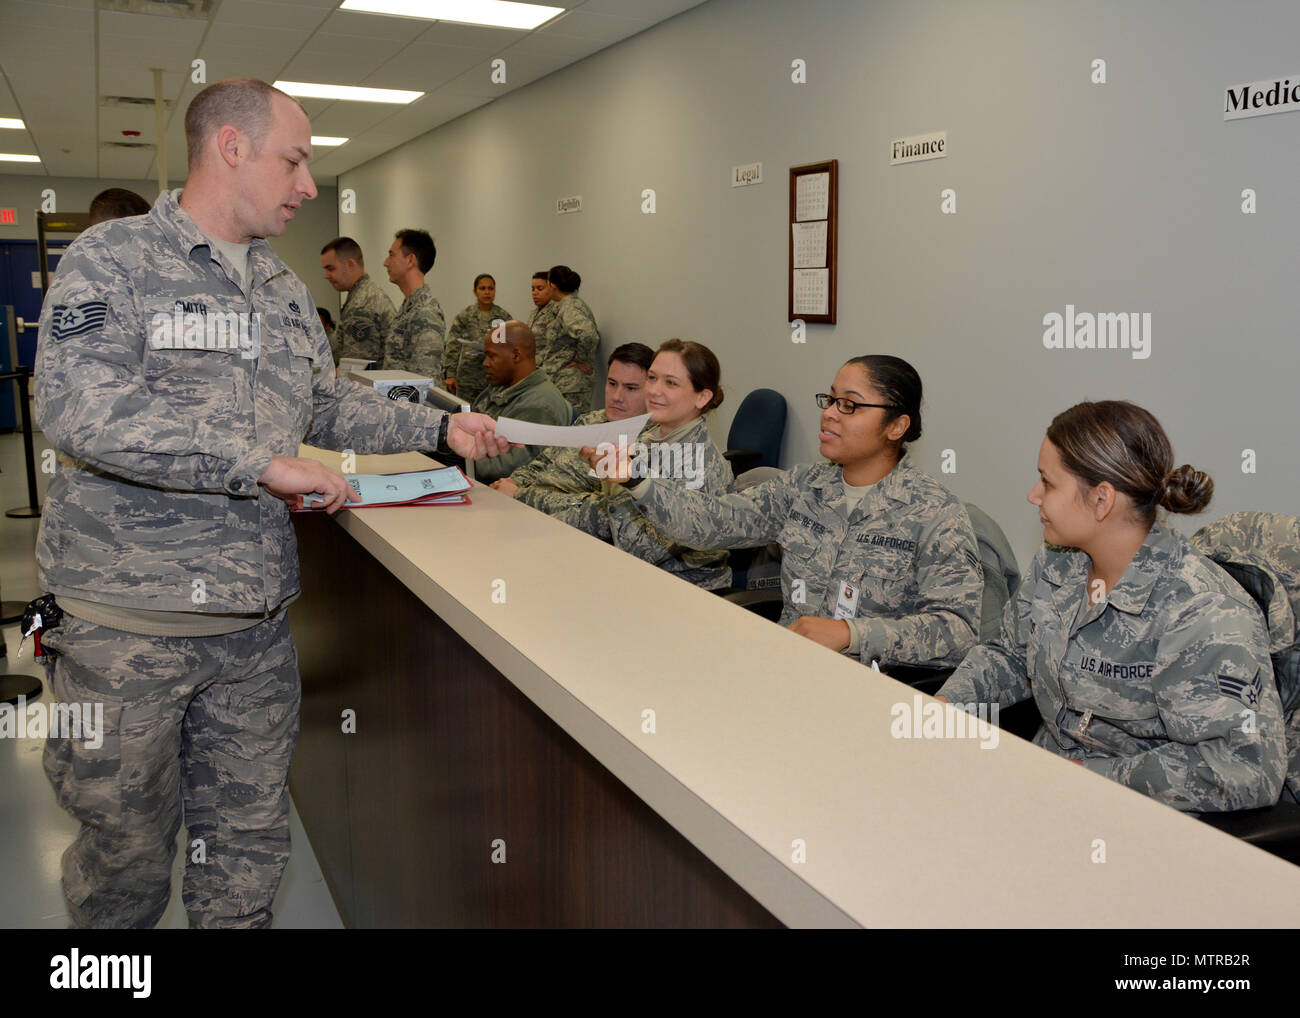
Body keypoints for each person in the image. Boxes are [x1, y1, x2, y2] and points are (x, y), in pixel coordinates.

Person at [33, 77, 510, 930]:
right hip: (126, 631)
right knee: (124, 866)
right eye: (294, 160)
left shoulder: (284, 290)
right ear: (230, 147)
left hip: (254, 635)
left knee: (248, 856)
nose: (305, 185)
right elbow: (78, 408)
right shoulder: (113, 259)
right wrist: (258, 463)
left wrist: (442, 431)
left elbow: (324, 404)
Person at [936, 401, 1286, 813]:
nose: (1033, 496)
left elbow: (1243, 770)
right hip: (1039, 786)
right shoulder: (1059, 560)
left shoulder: (1201, 610)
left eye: (1047, 483)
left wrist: (1084, 777)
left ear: (1102, 499)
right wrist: (942, 707)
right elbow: (1011, 656)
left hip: (1141, 818)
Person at [592, 355, 982, 668]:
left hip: (869, 689)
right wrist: (637, 481)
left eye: (849, 405)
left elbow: (957, 631)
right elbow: (714, 521)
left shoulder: (934, 513)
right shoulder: (805, 486)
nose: (829, 413)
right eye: (829, 400)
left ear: (897, 426)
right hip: (785, 667)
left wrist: (852, 634)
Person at [577, 339, 734, 591]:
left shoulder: (698, 466)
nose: (653, 391)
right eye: (651, 378)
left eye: (670, 383)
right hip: (637, 579)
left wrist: (622, 480)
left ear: (702, 397)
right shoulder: (651, 439)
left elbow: (637, 547)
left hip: (684, 594)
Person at [492, 342, 653, 533]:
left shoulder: (645, 445)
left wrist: (521, 495)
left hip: (558, 528)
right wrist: (513, 482)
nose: (617, 396)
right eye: (612, 384)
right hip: (521, 508)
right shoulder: (592, 419)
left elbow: (601, 512)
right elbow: (544, 461)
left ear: (651, 392)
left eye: (631, 388)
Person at [470, 320, 571, 484]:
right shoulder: (501, 387)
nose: (485, 363)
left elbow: (504, 469)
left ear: (516, 355)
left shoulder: (540, 406)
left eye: (492, 356)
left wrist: (456, 451)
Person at [380, 228, 445, 378]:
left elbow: (425, 382)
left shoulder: (425, 312)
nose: (385, 263)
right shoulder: (409, 307)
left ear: (410, 260)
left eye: (391, 255)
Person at [320, 235, 395, 365]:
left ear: (350, 264)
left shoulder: (360, 306)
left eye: (331, 268)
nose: (326, 276)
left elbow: (357, 370)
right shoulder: (368, 294)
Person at [443, 273, 511, 404]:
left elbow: (508, 347)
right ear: (475, 291)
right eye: (482, 288)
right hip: (468, 378)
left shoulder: (503, 317)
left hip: (494, 379)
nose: (487, 292)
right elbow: (453, 345)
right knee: (467, 415)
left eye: (490, 289)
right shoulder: (465, 316)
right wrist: (450, 375)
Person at [539, 265, 599, 412]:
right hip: (563, 382)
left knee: (571, 430)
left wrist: (581, 359)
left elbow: (588, 335)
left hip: (571, 384)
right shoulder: (565, 305)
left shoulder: (569, 307)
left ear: (552, 285)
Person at [527, 269, 556, 364]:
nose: (534, 293)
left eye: (540, 289)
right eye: (533, 289)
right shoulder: (534, 313)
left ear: (551, 288)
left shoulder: (555, 312)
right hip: (533, 365)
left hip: (549, 366)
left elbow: (553, 346)